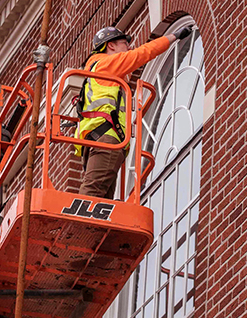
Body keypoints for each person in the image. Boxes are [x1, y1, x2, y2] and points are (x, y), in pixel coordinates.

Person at [75, 25, 192, 199]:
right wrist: (173, 36)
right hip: (106, 138)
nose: (129, 48)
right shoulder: (106, 64)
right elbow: (142, 54)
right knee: (92, 196)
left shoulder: (96, 73)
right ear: (111, 45)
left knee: (101, 202)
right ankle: (78, 217)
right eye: (124, 43)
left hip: (96, 139)